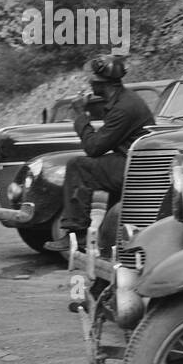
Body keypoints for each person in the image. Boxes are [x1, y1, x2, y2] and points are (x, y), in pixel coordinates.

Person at [43, 54, 154, 252]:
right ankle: (107, 245)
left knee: (78, 166)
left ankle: (76, 233)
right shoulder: (123, 100)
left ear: (101, 83)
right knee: (108, 230)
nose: (89, 83)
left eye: (92, 80)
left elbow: (94, 148)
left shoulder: (123, 108)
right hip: (131, 161)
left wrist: (80, 117)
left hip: (133, 166)